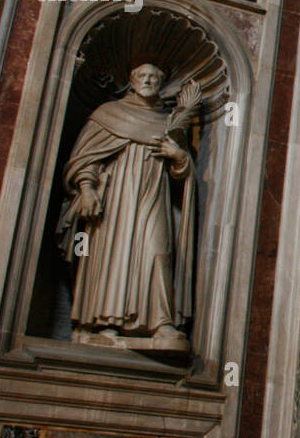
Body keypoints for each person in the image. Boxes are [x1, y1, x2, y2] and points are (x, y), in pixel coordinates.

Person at [60, 64, 200, 350]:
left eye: (154, 77)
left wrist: (179, 157)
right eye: (142, 76)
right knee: (115, 255)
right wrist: (86, 189)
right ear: (132, 81)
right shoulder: (108, 114)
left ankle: (162, 322)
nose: (148, 80)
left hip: (154, 196)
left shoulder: (169, 121)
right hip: (116, 200)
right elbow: (85, 158)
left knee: (159, 251)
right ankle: (105, 322)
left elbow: (182, 178)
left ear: (162, 83)